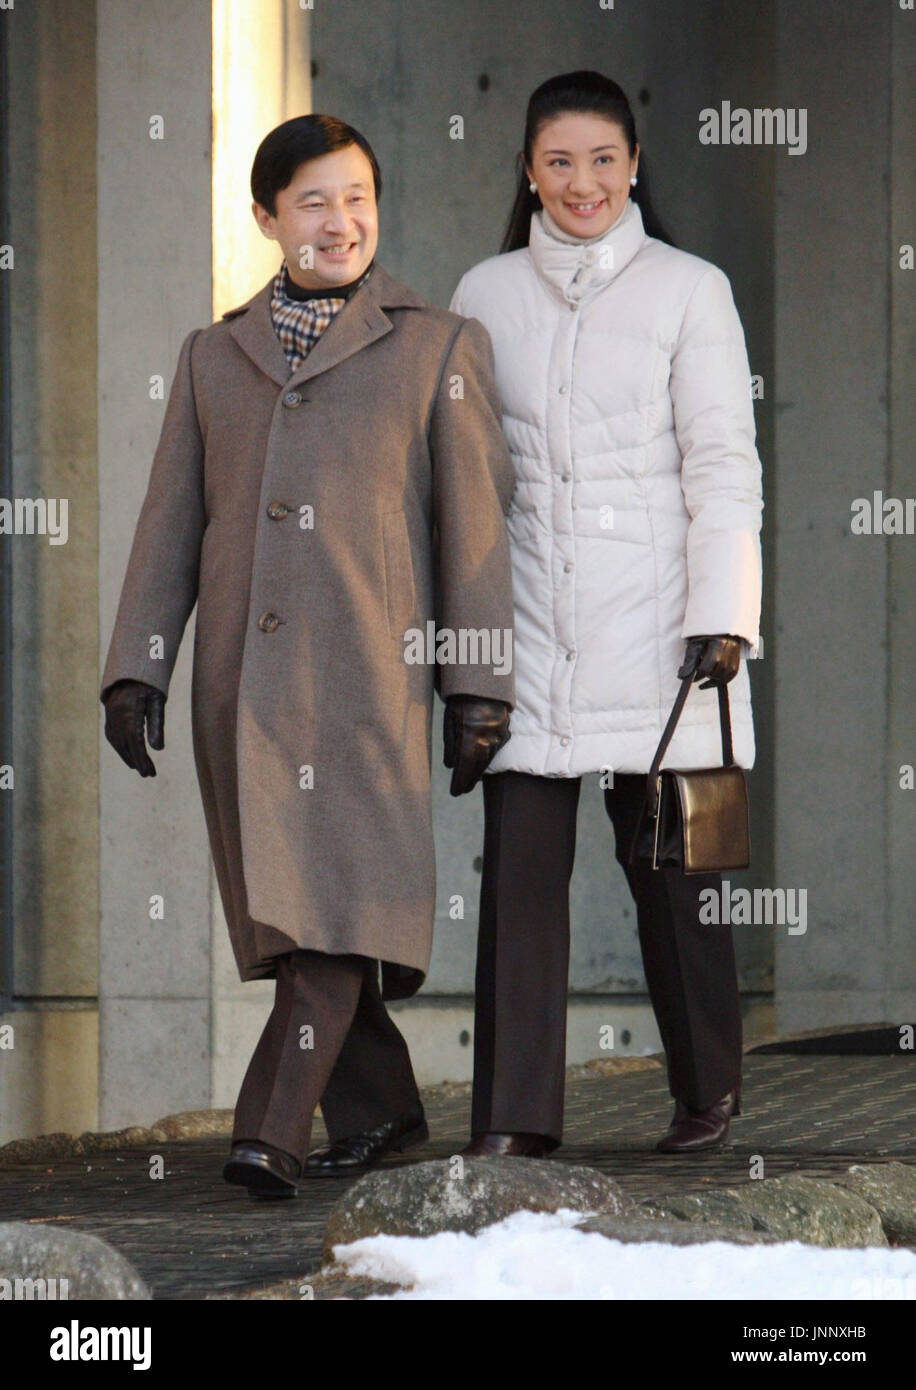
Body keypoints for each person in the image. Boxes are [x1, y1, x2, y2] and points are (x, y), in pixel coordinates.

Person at [100, 114, 515, 1197]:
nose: (342, 221)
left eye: (359, 196)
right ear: (267, 216)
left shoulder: (437, 344)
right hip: (241, 687)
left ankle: (268, 1130)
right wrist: (138, 664)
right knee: (303, 915)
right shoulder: (210, 355)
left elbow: (474, 532)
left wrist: (478, 686)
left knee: (333, 912)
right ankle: (382, 1112)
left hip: (371, 686)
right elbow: (167, 526)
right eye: (316, 201)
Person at [449, 71, 763, 1157]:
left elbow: (724, 462)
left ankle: (706, 1092)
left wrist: (722, 614)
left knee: (675, 880)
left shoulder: (689, 289)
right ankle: (514, 1118)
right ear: (527, 172)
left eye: (601, 158)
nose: (581, 181)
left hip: (667, 627)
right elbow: (463, 476)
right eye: (557, 160)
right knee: (520, 885)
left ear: (634, 165)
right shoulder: (483, 293)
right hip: (531, 618)